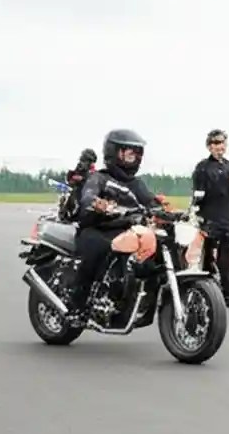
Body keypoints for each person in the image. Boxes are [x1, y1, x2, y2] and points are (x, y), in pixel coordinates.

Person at [65, 129, 164, 326]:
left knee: (157, 247)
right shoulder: (99, 178)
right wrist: (97, 204)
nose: (134, 157)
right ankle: (76, 306)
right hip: (97, 228)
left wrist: (165, 212)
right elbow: (88, 197)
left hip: (124, 230)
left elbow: (150, 203)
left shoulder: (136, 184)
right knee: (97, 249)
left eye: (137, 153)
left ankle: (136, 299)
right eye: (130, 153)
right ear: (114, 152)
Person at [192, 129, 229, 308]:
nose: (219, 146)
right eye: (215, 143)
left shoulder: (228, 165)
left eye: (222, 143)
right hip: (209, 217)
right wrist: (195, 214)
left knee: (228, 258)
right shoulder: (202, 168)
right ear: (209, 146)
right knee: (207, 257)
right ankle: (205, 293)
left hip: (227, 217)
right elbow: (199, 193)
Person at [59, 148, 97, 222]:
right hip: (76, 191)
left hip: (87, 193)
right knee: (67, 194)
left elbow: (94, 180)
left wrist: (83, 179)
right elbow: (69, 178)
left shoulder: (93, 171)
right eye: (83, 159)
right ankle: (65, 213)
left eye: (86, 160)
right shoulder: (78, 167)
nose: (83, 162)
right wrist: (72, 175)